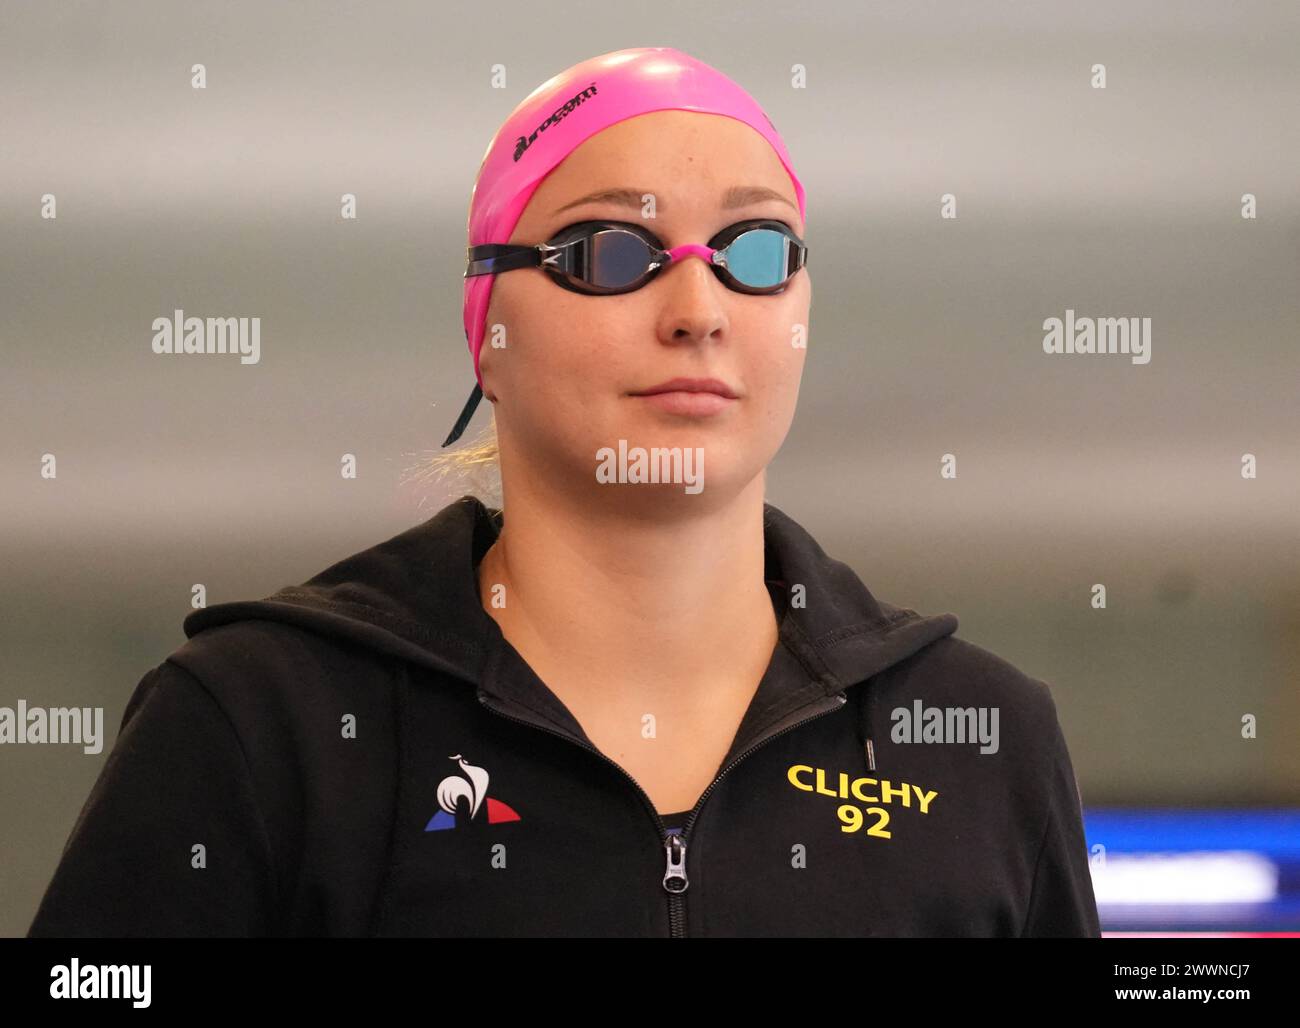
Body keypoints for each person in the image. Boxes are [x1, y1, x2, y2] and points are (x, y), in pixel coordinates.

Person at [28, 47, 1100, 937]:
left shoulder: (979, 737)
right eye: (610, 251)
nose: (698, 306)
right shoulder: (268, 722)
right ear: (488, 334)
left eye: (754, 249)